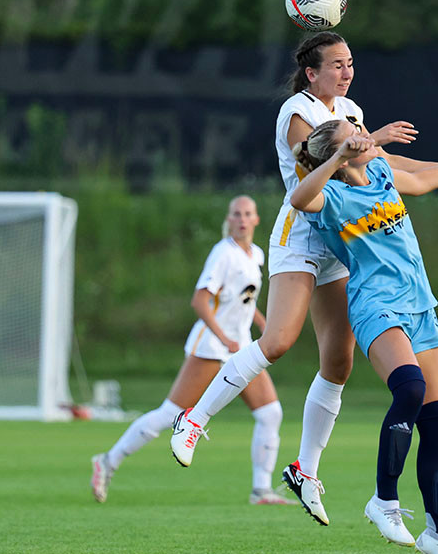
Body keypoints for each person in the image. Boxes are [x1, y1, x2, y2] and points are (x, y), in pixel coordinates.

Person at [168, 33, 438, 527]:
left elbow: (379, 166)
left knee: (338, 363)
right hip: (303, 232)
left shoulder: (351, 108)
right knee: (277, 340)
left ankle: (304, 470)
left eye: (350, 63)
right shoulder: (297, 109)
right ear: (311, 73)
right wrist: (371, 138)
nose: (346, 71)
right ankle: (194, 419)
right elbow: (311, 161)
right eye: (336, 64)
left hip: (346, 233)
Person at [288, 119, 438, 554]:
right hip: (375, 307)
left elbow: (422, 179)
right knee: (410, 388)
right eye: (353, 131)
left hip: (420, 308)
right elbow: (298, 198)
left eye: (361, 127)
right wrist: (337, 158)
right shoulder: (332, 197)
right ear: (337, 149)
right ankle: (383, 499)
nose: (364, 133)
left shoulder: (383, 175)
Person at [90, 196, 292, 506]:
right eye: (236, 213)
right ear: (229, 218)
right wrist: (224, 337)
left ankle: (261, 490)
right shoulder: (222, 253)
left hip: (241, 347)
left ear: (256, 220)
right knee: (170, 415)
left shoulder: (257, 255)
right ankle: (108, 461)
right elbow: (200, 301)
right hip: (212, 348)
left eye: (247, 214)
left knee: (270, 413)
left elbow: (243, 301)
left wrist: (265, 324)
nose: (241, 219)